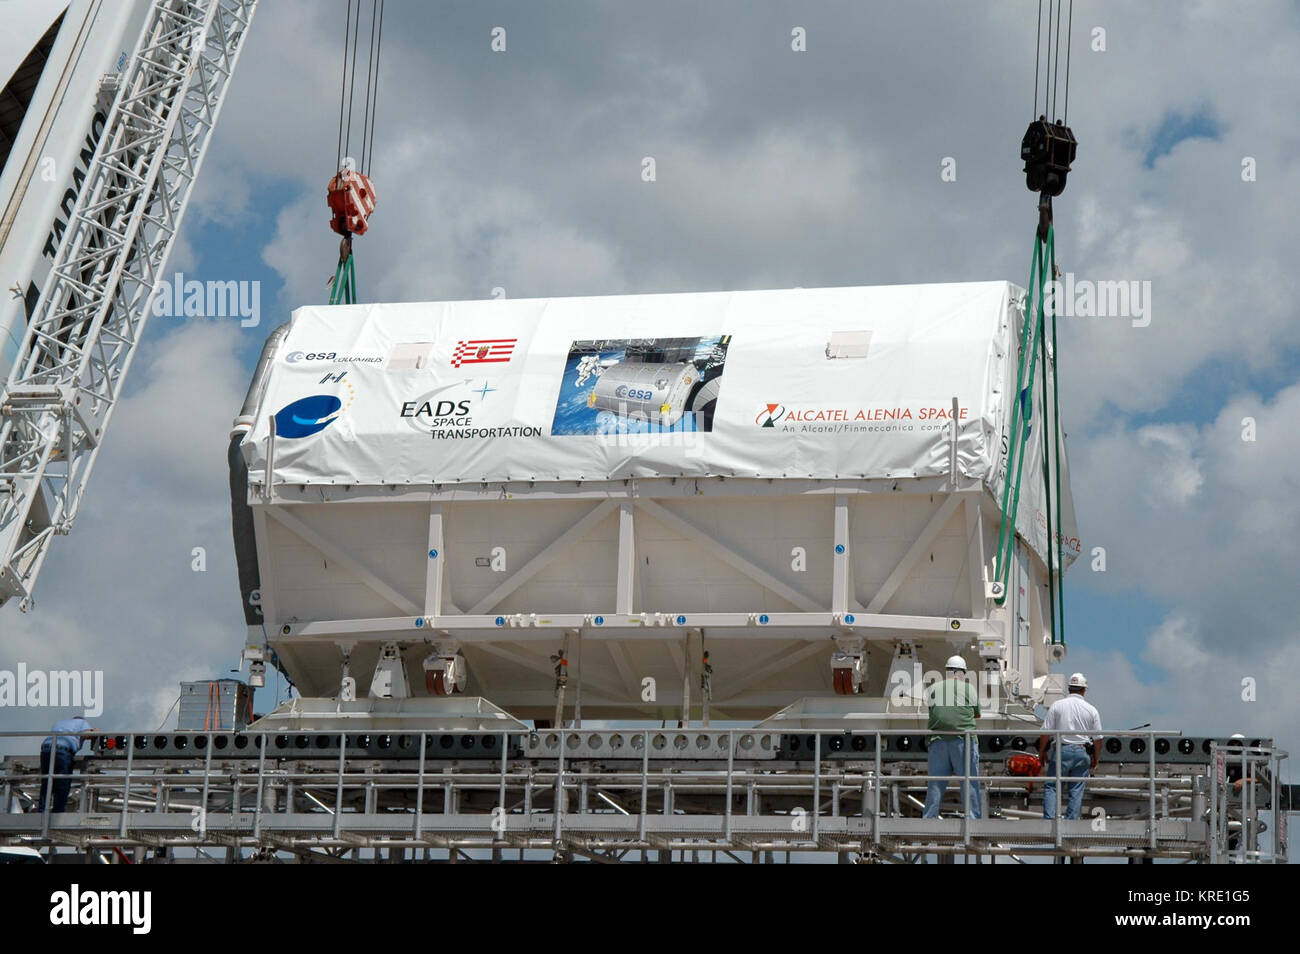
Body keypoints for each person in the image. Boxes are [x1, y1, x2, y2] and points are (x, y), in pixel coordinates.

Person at [922, 655, 981, 819]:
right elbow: (976, 715)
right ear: (962, 673)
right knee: (969, 783)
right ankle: (973, 822)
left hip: (938, 741)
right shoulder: (969, 689)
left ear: (947, 672)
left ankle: (928, 821)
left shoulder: (933, 688)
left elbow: (933, 713)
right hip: (964, 742)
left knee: (935, 785)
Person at [1038, 673, 1102, 820]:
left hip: (1062, 751)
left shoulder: (1057, 706)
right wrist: (1095, 758)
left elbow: (1045, 733)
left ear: (1069, 688)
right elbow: (1098, 739)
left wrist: (1042, 752)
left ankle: (1049, 820)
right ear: (1084, 690)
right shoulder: (1091, 710)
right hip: (1081, 751)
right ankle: (1070, 822)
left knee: (1052, 786)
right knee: (1076, 789)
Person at [37, 717, 96, 813]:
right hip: (62, 750)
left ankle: (42, 810)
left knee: (47, 782)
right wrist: (94, 732)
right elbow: (87, 734)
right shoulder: (81, 722)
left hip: (46, 749)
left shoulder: (60, 722)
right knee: (62, 782)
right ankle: (57, 811)